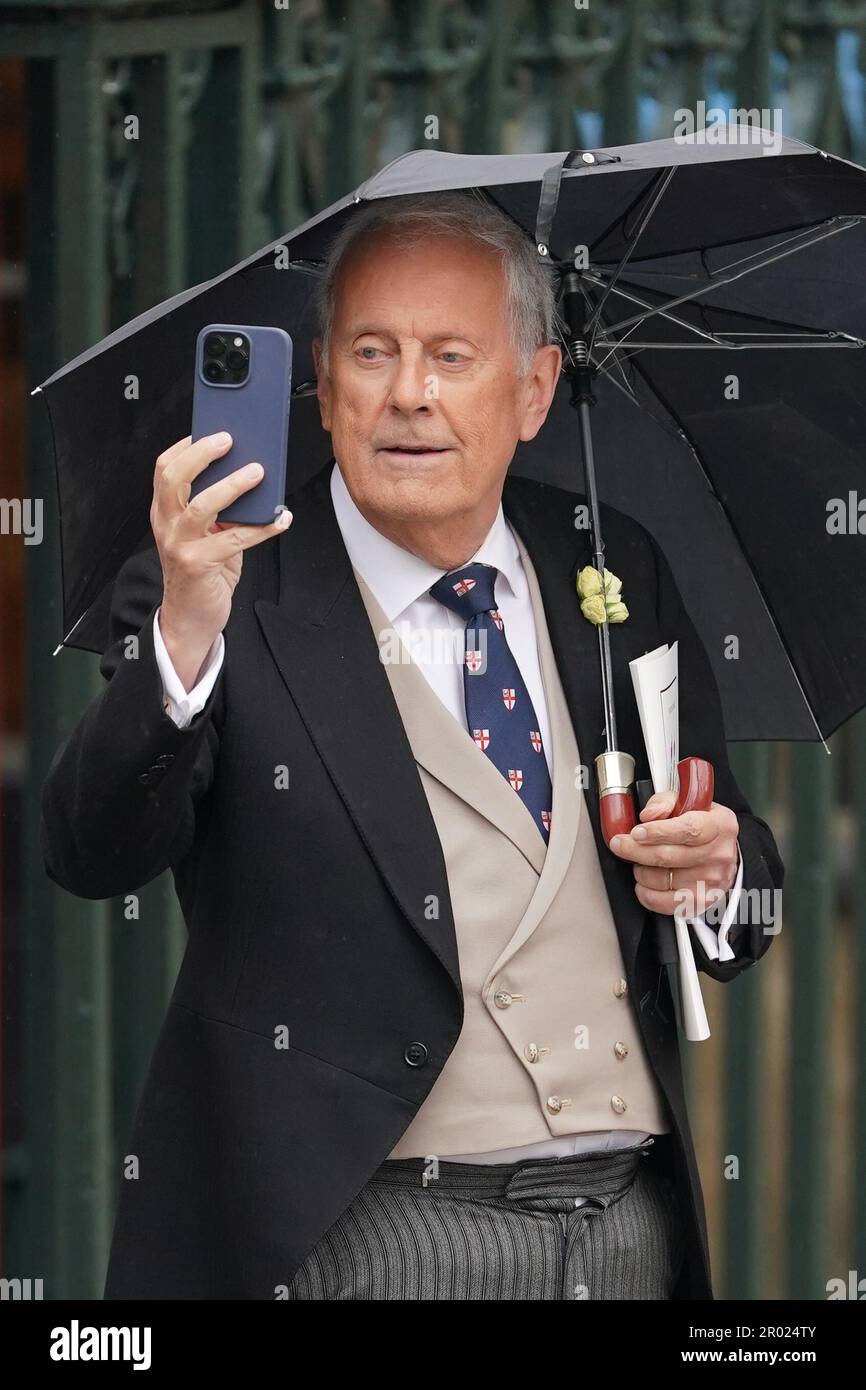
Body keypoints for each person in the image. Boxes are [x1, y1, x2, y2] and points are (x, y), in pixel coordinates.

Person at [40, 192, 783, 1301]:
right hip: (361, 1241)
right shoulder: (226, 585)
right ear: (322, 384)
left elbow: (744, 891)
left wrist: (718, 872)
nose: (408, 395)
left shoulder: (611, 566)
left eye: (450, 355)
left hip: (627, 1234)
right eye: (372, 352)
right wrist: (187, 627)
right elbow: (90, 850)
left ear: (532, 390)